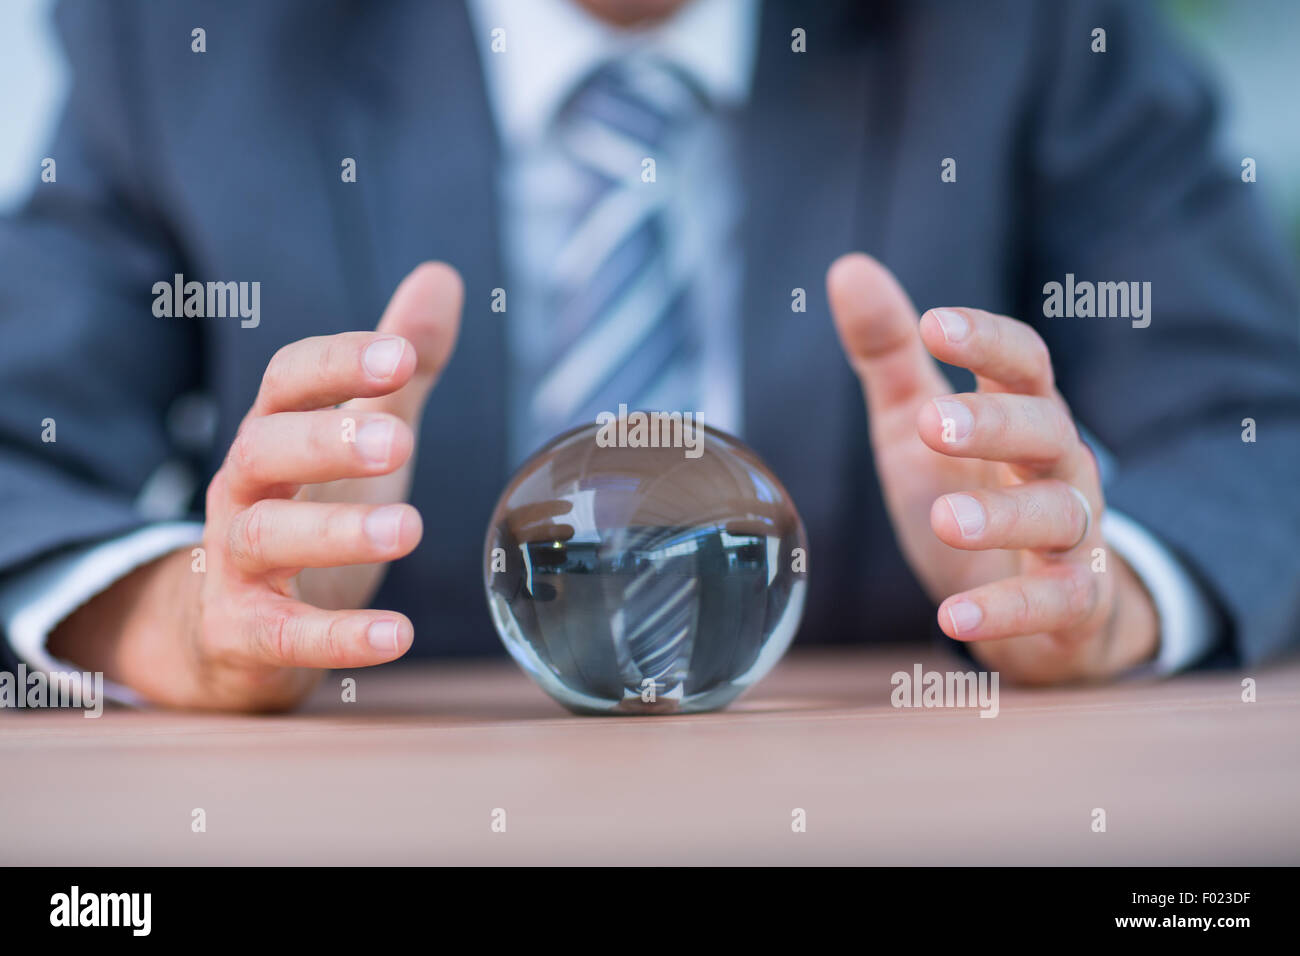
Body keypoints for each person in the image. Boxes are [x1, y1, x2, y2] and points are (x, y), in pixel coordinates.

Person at [1, 0, 1297, 711]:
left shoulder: (1030, 29)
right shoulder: (182, 38)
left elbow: (1262, 424)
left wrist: (1110, 591)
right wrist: (176, 620)